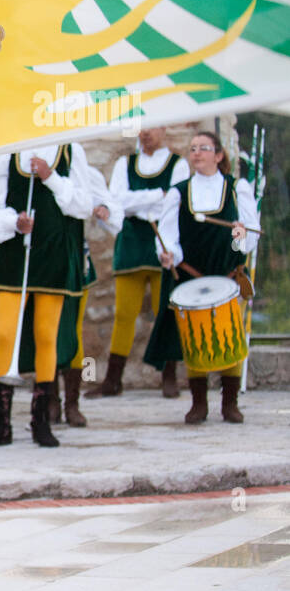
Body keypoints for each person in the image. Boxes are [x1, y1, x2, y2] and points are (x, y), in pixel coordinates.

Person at [0, 144, 95, 448]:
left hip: (54, 257)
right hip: (14, 257)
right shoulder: (5, 152)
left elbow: (82, 206)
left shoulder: (71, 150)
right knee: (3, 334)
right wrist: (14, 222)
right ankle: (0, 423)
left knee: (46, 335)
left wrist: (51, 177)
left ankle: (41, 420)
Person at [146, 128, 259, 424]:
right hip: (192, 277)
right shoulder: (179, 192)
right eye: (193, 148)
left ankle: (230, 403)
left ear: (219, 155)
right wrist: (169, 255)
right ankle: (199, 403)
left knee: (228, 336)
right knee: (195, 338)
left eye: (204, 148)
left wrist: (239, 235)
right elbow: (169, 236)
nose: (196, 152)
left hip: (229, 275)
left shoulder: (237, 189)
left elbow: (247, 241)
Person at [88, 126, 190, 399]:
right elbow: (118, 201)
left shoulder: (178, 165)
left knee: (165, 311)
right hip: (131, 243)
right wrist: (156, 195)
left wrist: (142, 202)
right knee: (123, 314)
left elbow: (174, 202)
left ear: (165, 128)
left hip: (164, 241)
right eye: (142, 128)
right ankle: (113, 379)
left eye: (152, 127)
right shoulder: (125, 163)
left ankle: (169, 376)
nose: (146, 133)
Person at [50, 163, 122, 427]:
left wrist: (104, 210)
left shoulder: (79, 167)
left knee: (71, 332)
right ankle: (49, 401)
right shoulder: (26, 163)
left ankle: (71, 403)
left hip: (74, 259)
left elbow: (112, 209)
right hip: (39, 260)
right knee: (44, 333)